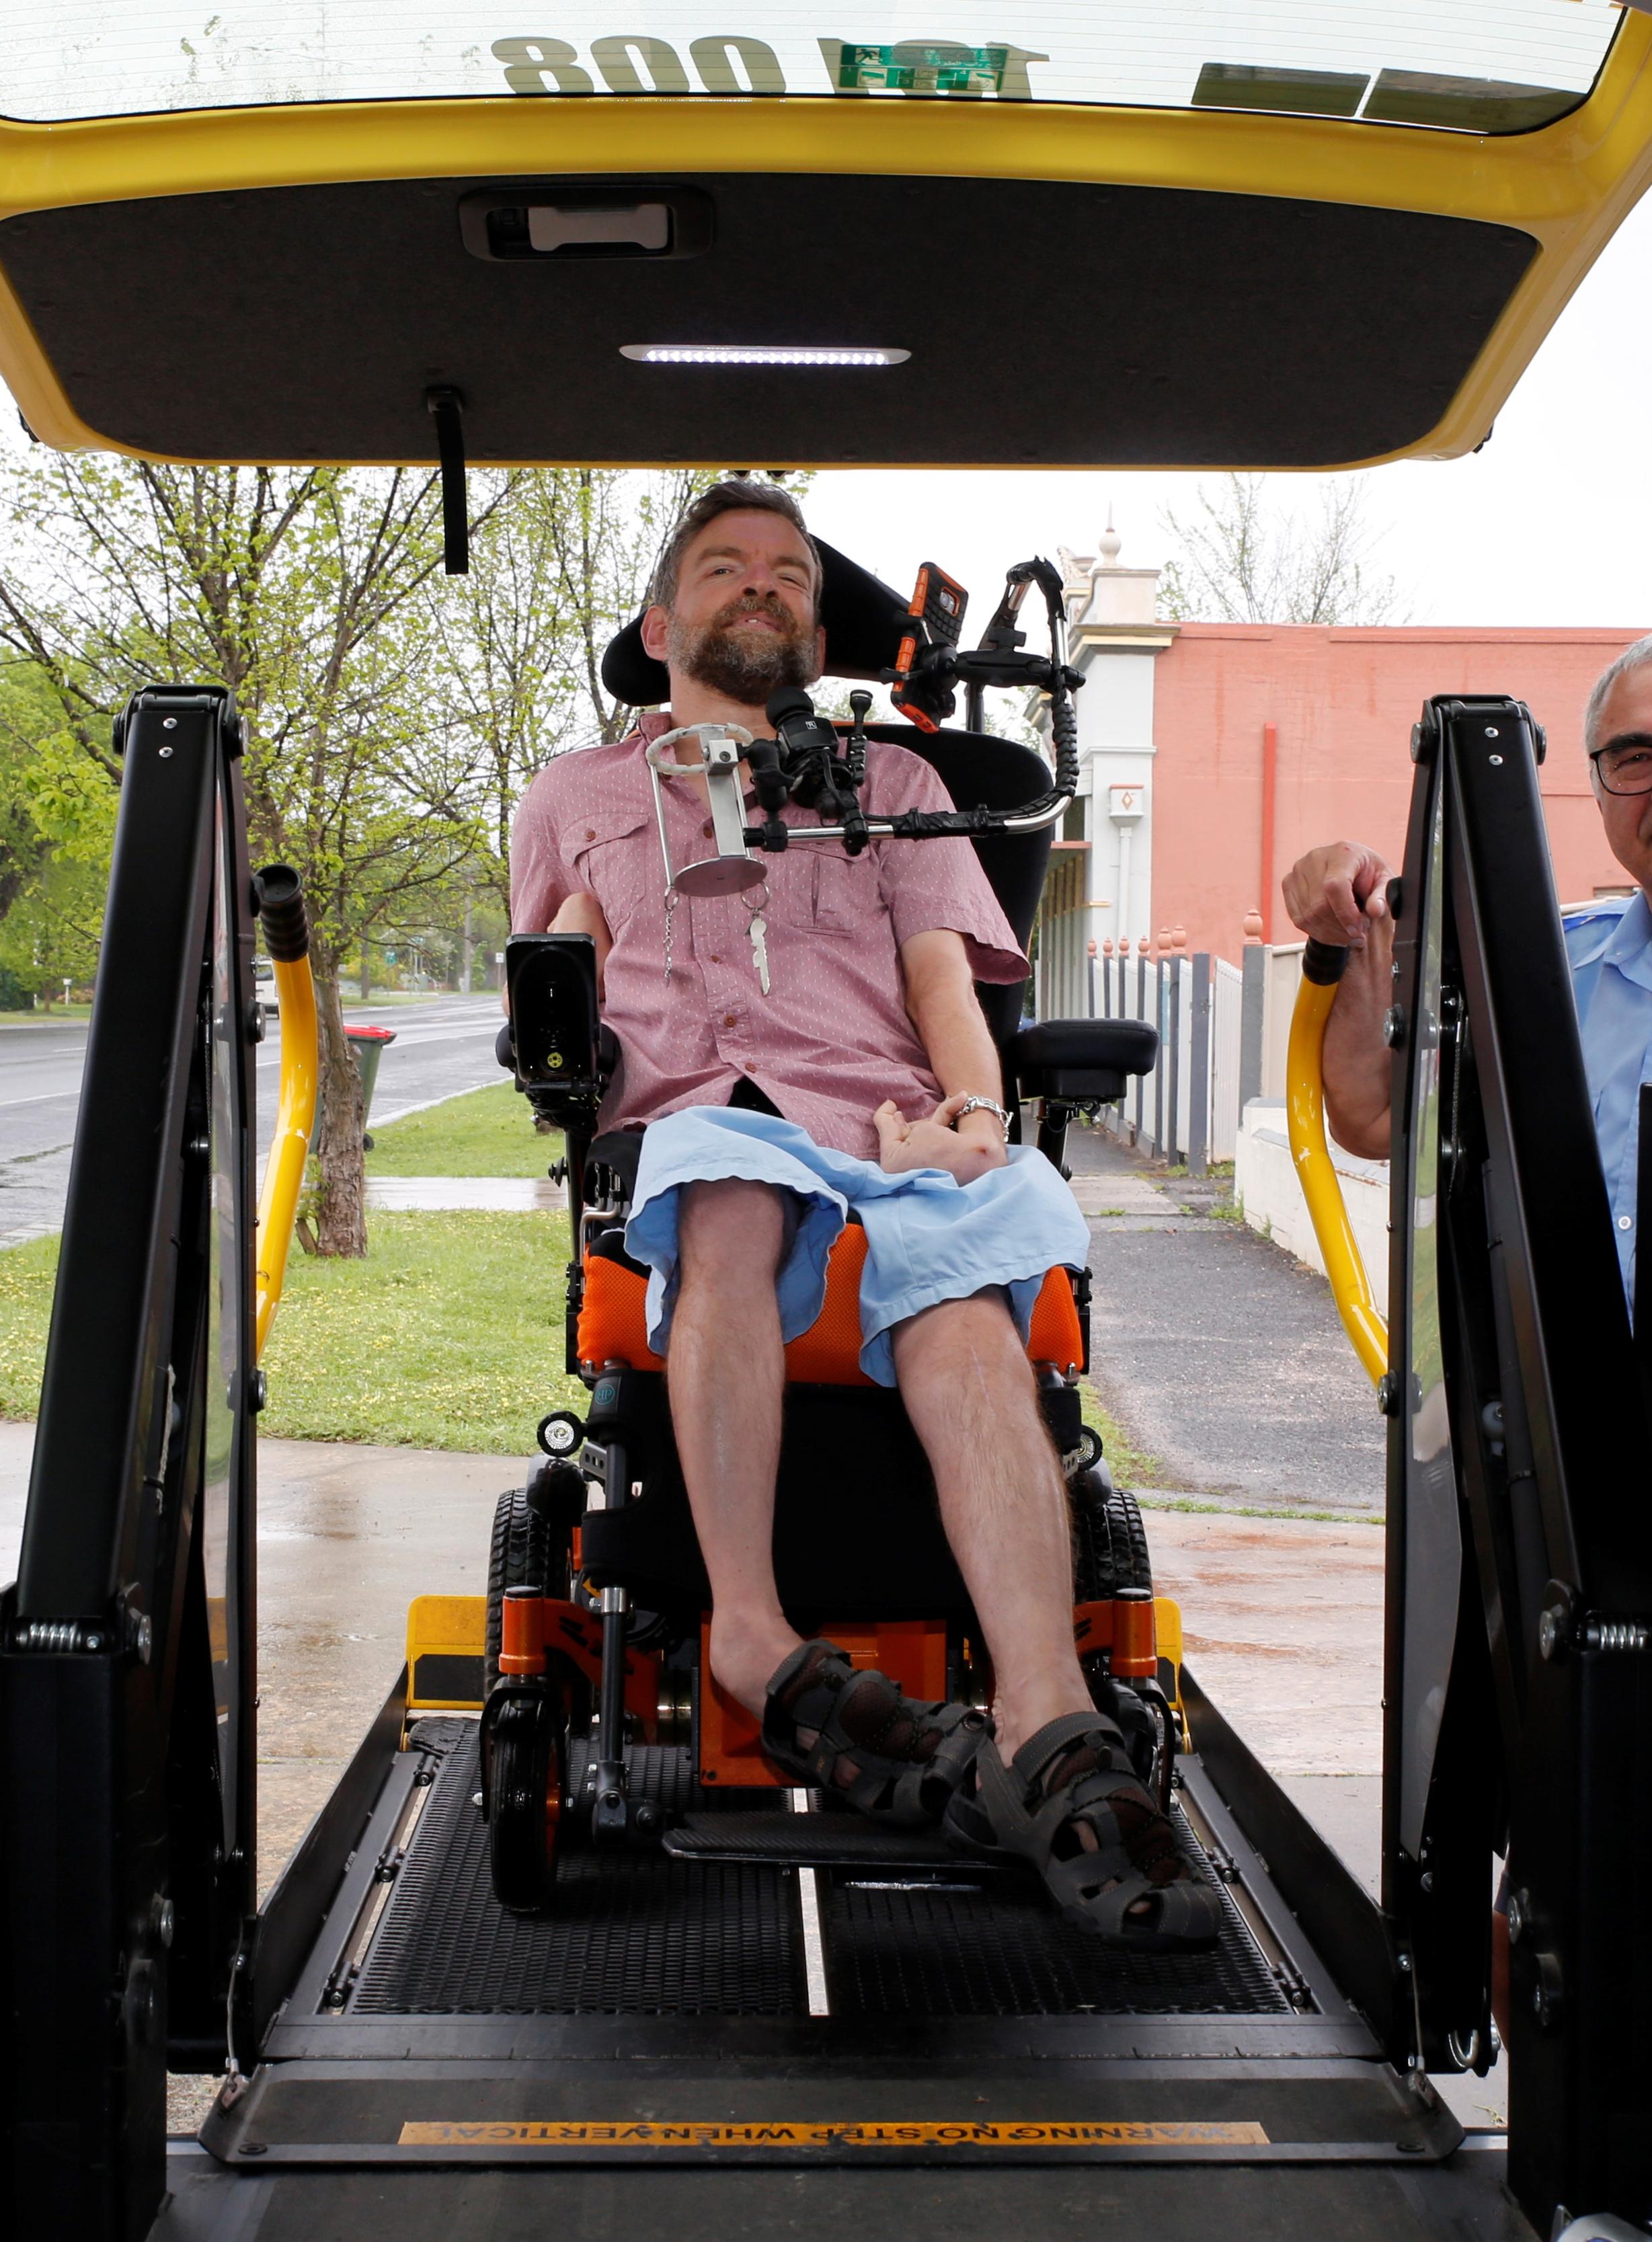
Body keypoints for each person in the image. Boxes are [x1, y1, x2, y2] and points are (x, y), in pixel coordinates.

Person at [508, 480, 1212, 1949]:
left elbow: (944, 980)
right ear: (661, 625)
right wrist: (559, 1017)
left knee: (961, 1296)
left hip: (880, 1124)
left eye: (787, 572)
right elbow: (557, 966)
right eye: (724, 567)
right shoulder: (578, 793)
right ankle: (751, 1635)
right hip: (695, 1119)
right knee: (730, 1188)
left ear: (816, 630)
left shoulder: (891, 783)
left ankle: (1047, 1719)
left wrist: (971, 1121)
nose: (761, 585)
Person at [1283, 625, 1652, 1290]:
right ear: (1598, 789)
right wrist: (1353, 924)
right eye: (1633, 757)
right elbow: (1374, 1121)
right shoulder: (1547, 969)